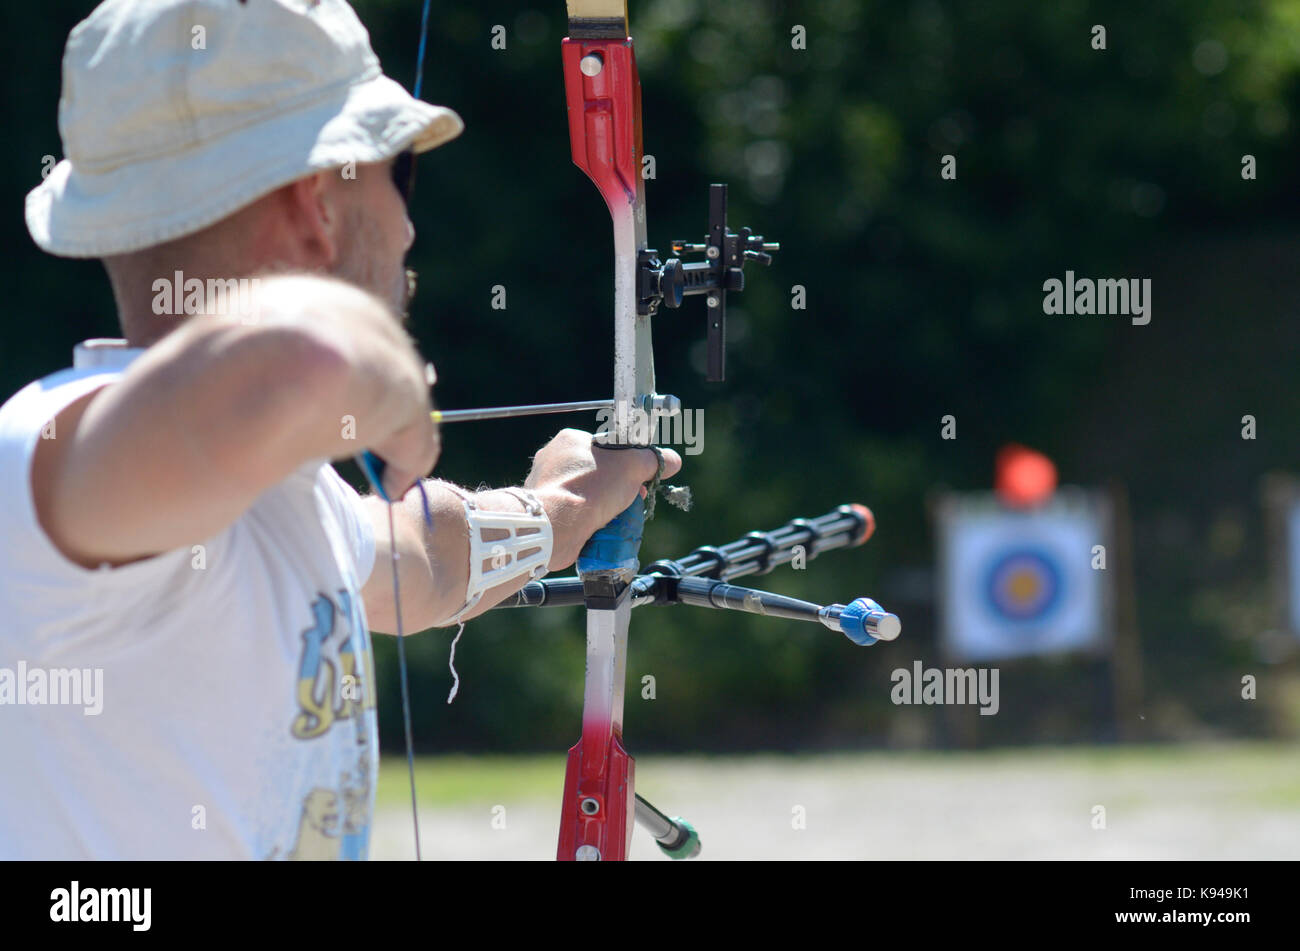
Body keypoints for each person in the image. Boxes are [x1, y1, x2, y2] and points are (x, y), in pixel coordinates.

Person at [0, 0, 679, 860]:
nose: (407, 226)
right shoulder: (53, 455)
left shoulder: (259, 488)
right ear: (315, 205)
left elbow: (420, 559)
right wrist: (387, 371)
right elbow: (307, 358)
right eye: (396, 174)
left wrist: (561, 507)